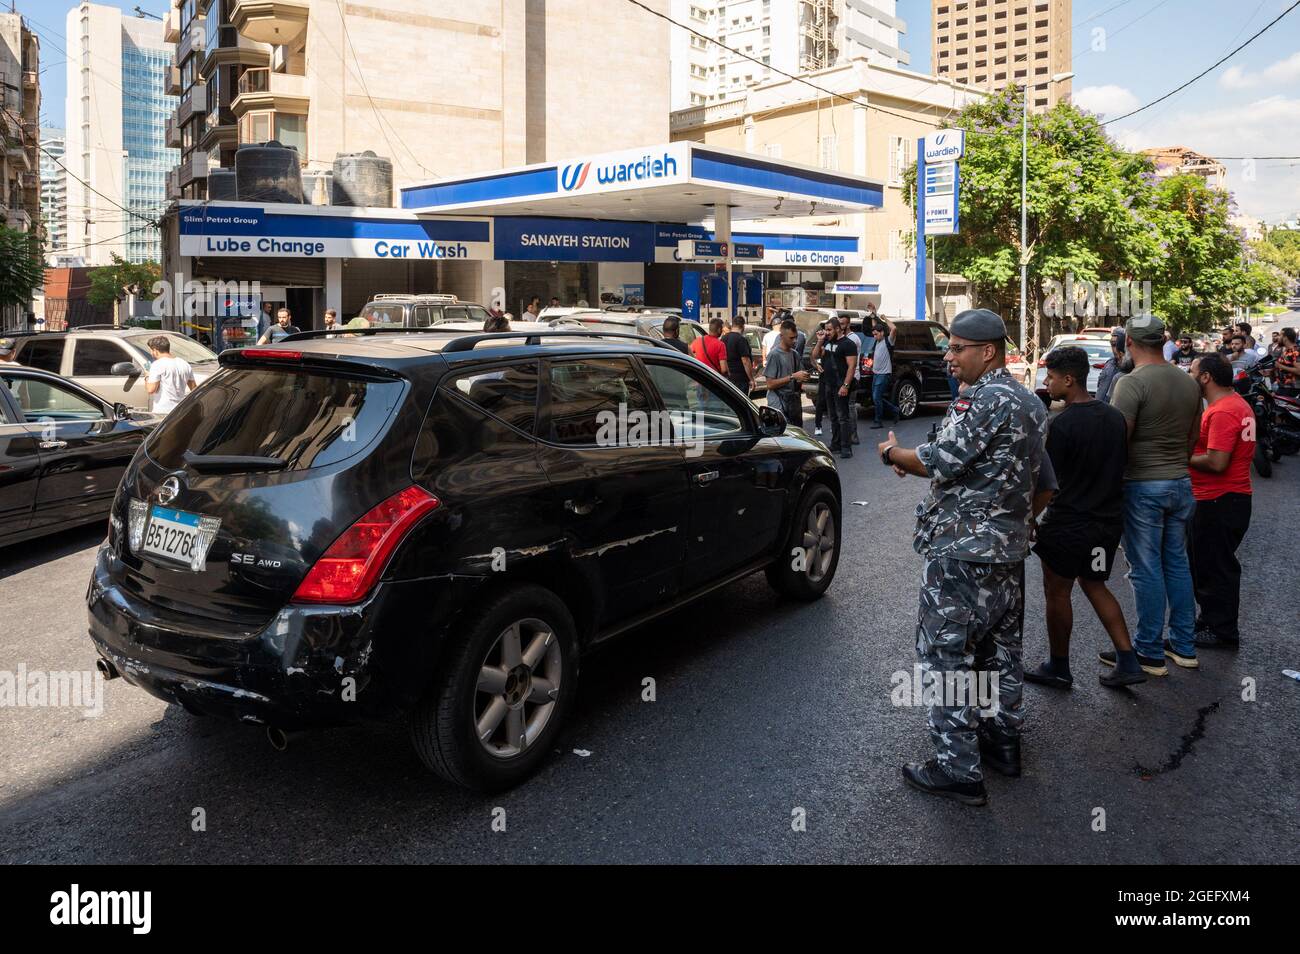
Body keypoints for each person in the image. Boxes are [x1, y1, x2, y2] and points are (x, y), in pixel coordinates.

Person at [877, 308, 1047, 806]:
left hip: (962, 553)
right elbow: (1044, 482)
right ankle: (1003, 743)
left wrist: (892, 454)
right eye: (948, 348)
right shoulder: (1030, 402)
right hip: (1008, 551)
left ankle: (958, 769)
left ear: (987, 351)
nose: (948, 357)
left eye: (957, 349)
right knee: (1001, 651)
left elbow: (939, 460)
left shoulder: (985, 399)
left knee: (946, 658)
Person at [1025, 347, 1145, 690]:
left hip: (1066, 526)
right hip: (1106, 523)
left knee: (1057, 592)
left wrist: (1030, 519)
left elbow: (1047, 486)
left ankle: (1059, 666)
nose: (1046, 383)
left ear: (1069, 379)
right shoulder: (1114, 418)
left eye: (1050, 377)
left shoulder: (1060, 425)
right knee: (1094, 584)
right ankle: (1128, 659)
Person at [1107, 315, 1203, 675]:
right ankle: (1183, 645)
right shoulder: (1187, 381)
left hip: (1143, 484)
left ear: (1129, 341)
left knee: (1145, 568)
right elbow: (1194, 436)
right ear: (1162, 340)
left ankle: (1148, 649)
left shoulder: (1131, 383)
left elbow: (1120, 440)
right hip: (1180, 481)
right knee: (1176, 563)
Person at [1187, 353, 1254, 651]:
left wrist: (1180, 457)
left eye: (1192, 371)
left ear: (1206, 377)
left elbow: (1217, 462)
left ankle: (1222, 630)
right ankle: (1211, 619)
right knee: (1208, 563)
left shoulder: (1224, 411)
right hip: (1226, 499)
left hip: (1220, 499)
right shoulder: (1236, 404)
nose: (1189, 376)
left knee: (1216, 566)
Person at [810, 317, 857, 458]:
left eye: (830, 330)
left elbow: (852, 366)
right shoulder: (826, 341)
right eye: (826, 329)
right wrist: (819, 340)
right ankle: (835, 443)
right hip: (828, 384)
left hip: (840, 385)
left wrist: (846, 385)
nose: (827, 332)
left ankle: (846, 447)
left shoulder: (848, 344)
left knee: (843, 416)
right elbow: (814, 355)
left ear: (838, 329)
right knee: (833, 416)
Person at [763, 319, 808, 427]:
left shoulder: (794, 354)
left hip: (793, 403)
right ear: (782, 336)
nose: (795, 341)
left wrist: (803, 377)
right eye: (791, 338)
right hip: (778, 405)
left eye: (796, 337)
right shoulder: (774, 355)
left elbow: (798, 376)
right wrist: (792, 377)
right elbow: (770, 384)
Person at [144, 335, 196, 414]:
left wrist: (147, 375)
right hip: (180, 410)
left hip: (163, 412)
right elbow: (194, 389)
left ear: (155, 350)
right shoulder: (184, 363)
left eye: (151, 350)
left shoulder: (157, 364)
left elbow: (151, 390)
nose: (151, 353)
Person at [868, 321, 900, 429]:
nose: (874, 336)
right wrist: (873, 315)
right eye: (873, 334)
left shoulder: (888, 340)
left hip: (884, 374)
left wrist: (885, 319)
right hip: (876, 374)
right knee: (876, 398)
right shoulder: (877, 341)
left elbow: (894, 328)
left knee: (877, 397)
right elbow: (875, 326)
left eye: (876, 334)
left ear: (882, 332)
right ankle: (894, 410)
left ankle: (878, 421)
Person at [721, 315, 755, 394]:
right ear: (743, 326)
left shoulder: (723, 338)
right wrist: (751, 379)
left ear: (732, 325)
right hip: (740, 379)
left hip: (727, 378)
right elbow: (745, 361)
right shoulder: (741, 340)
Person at [1276, 327, 1300, 396]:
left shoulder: (1296, 351)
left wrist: (1281, 366)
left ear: (1285, 337)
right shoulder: (1285, 351)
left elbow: (1299, 371)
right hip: (1283, 387)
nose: (1278, 337)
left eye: (1280, 335)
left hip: (1292, 389)